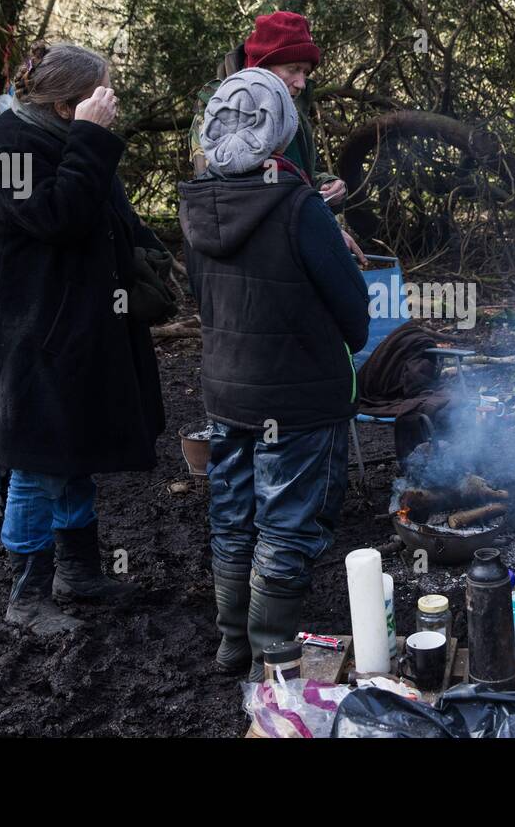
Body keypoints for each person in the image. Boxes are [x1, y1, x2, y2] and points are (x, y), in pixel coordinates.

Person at [0, 41, 168, 637]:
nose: (111, 103)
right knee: (37, 463)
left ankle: (76, 573)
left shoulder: (59, 136)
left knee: (72, 454)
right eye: (100, 93)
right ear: (65, 106)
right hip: (30, 337)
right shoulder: (3, 146)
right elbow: (60, 216)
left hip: (76, 330)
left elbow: (106, 216)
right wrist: (91, 139)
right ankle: (26, 597)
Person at [179, 67, 369, 680]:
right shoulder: (298, 205)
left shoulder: (198, 201)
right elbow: (349, 304)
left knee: (232, 514)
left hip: (227, 388)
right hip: (296, 396)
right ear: (280, 132)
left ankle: (232, 644)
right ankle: (271, 653)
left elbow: (202, 295)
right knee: (286, 523)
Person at [188, 10, 367, 267]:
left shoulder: (292, 112)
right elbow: (221, 196)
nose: (302, 83)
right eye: (293, 69)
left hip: (292, 253)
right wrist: (318, 229)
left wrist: (326, 186)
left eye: (305, 72)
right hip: (244, 264)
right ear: (260, 68)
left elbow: (292, 174)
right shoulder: (221, 111)